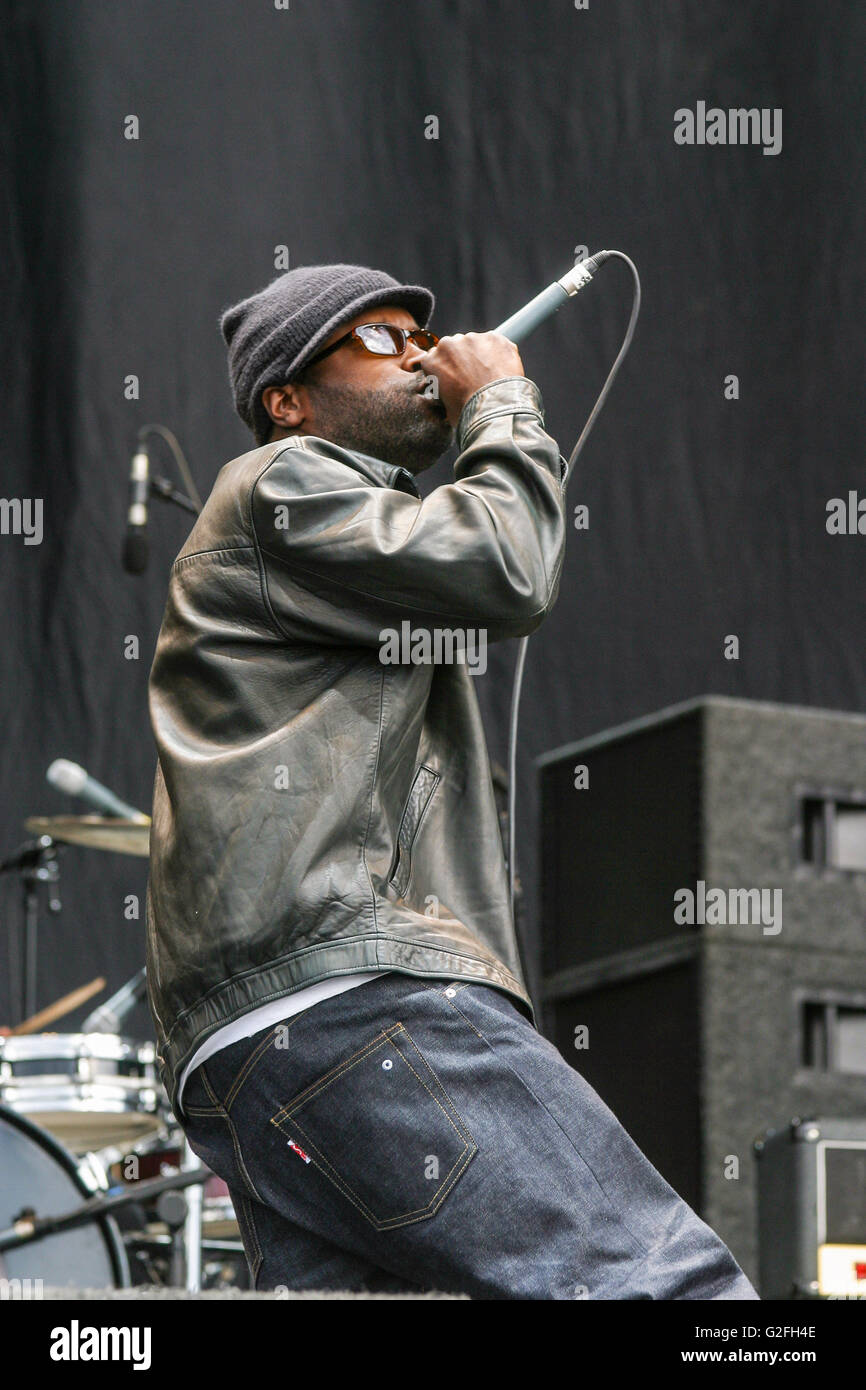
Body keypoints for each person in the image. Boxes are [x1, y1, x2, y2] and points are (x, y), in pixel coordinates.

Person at [145, 263, 758, 1299]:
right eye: (378, 341)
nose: (421, 356)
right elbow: (507, 565)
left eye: (419, 336)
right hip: (347, 995)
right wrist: (502, 404)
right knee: (665, 1289)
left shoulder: (345, 554)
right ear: (286, 400)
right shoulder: (278, 483)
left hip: (263, 1046)